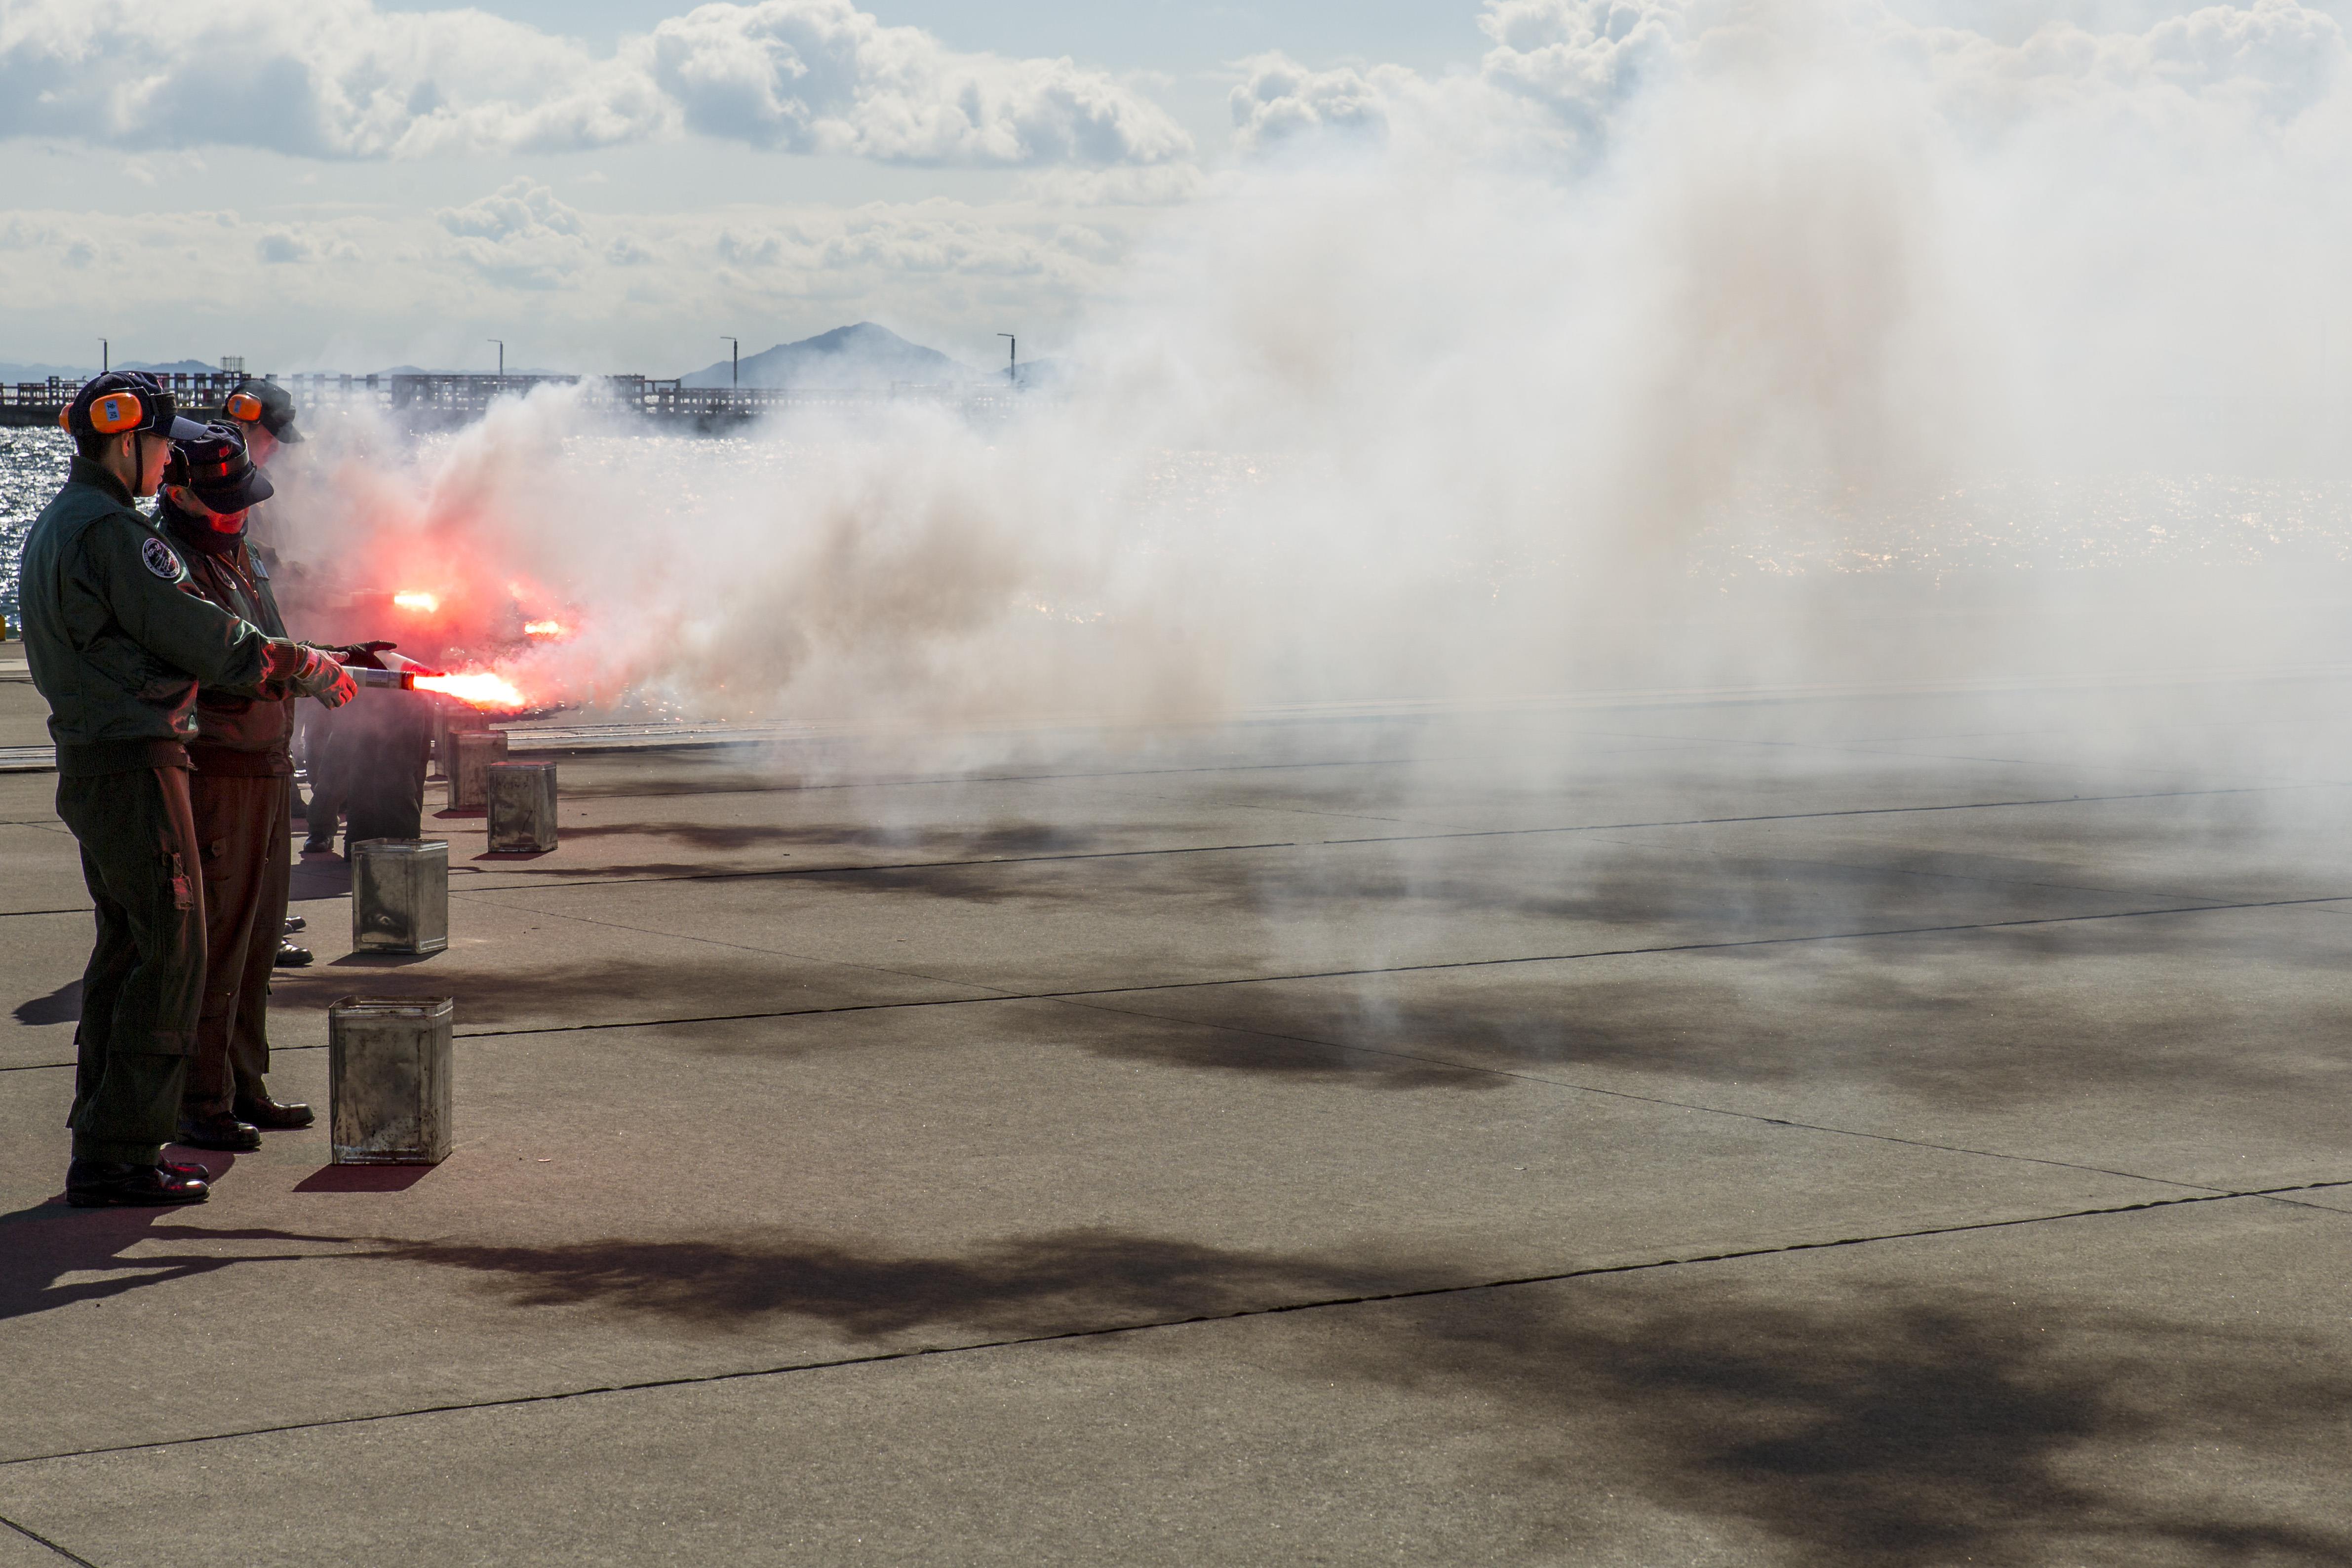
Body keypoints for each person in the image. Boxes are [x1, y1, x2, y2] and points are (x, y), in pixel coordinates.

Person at [18, 373, 354, 1207]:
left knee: (131, 951)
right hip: (134, 759)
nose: (167, 459)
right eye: (162, 446)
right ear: (125, 441)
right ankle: (122, 1153)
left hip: (105, 758)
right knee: (171, 948)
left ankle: (107, 1136)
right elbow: (198, 632)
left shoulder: (64, 524)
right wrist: (292, 662)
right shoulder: (112, 533)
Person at [154, 426, 333, 1151]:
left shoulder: (243, 556)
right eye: (223, 507)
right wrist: (302, 667)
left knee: (259, 941)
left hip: (264, 767)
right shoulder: (169, 567)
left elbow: (273, 638)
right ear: (179, 493)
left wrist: (332, 661)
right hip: (220, 771)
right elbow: (226, 658)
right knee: (219, 943)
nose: (238, 517)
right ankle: (203, 1098)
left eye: (242, 504)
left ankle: (244, 1082)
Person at [218, 379, 314, 965]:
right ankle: (258, 924)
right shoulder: (224, 489)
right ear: (254, 429)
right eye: (274, 439)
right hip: (241, 696)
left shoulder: (236, 485)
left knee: (269, 820)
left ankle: (266, 912)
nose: (279, 451)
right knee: (247, 828)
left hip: (258, 685)